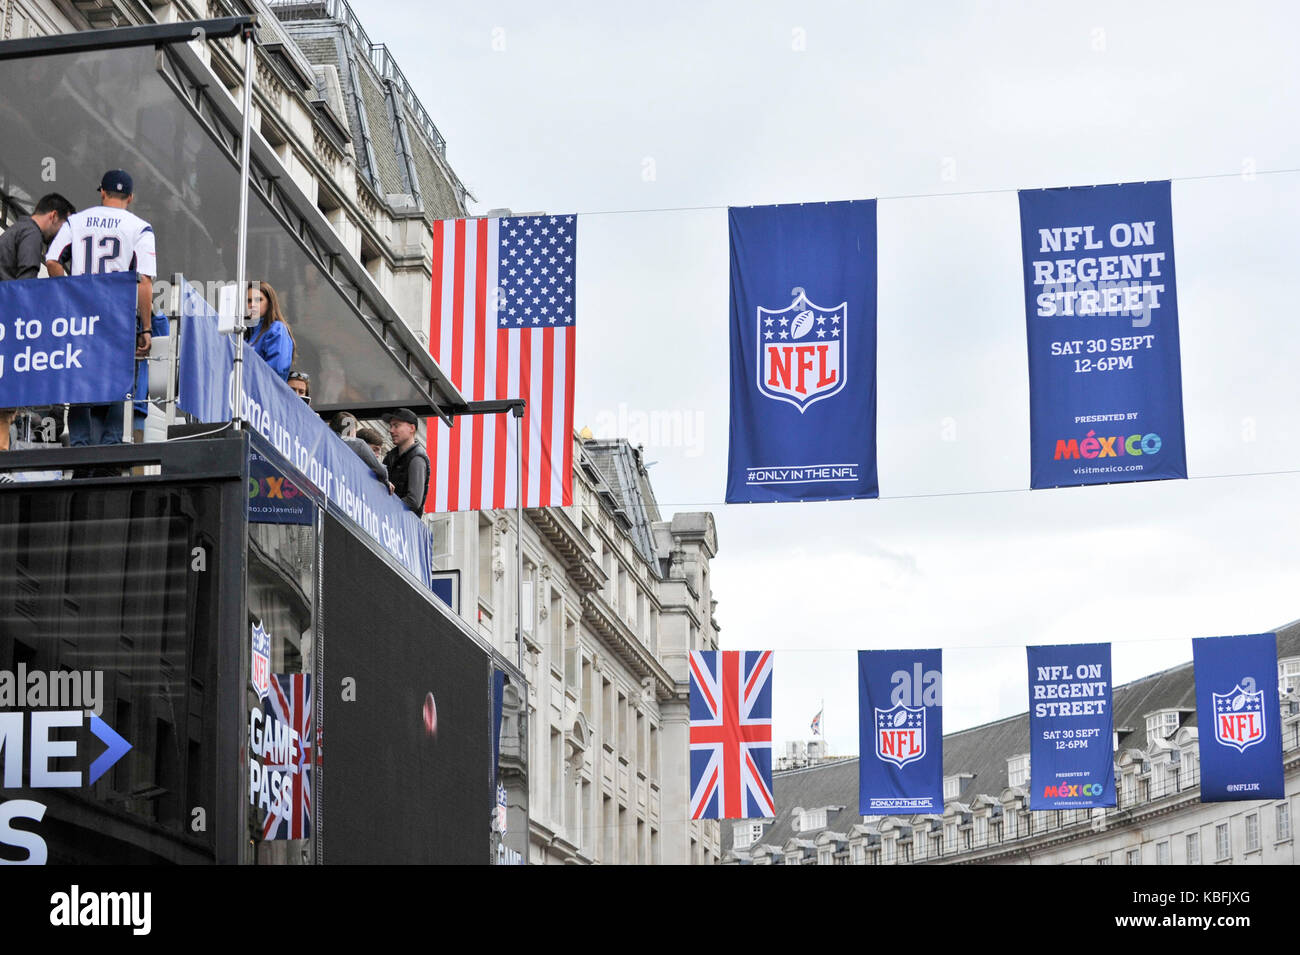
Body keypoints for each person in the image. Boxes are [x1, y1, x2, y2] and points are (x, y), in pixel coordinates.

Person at [44, 170, 156, 450]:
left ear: (102, 192)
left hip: (83, 311)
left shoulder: (76, 221)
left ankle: (81, 445)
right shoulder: (140, 227)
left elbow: (52, 260)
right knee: (117, 379)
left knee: (80, 374)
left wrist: (72, 291)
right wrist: (146, 327)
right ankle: (110, 446)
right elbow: (144, 281)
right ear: (130, 197)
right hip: (118, 311)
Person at [0, 193, 76, 281]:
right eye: (64, 227)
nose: (63, 234)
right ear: (54, 216)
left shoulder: (20, 228)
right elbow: (27, 283)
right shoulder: (32, 233)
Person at [382, 408, 429, 515]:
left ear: (412, 428)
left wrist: (386, 506)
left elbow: (414, 501)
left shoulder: (417, 458)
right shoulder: (390, 457)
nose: (391, 430)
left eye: (396, 426)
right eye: (391, 426)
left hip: (401, 525)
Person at [245, 281, 295, 381]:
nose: (252, 305)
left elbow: (277, 369)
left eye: (258, 300)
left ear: (269, 303)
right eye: (249, 301)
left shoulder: (277, 329)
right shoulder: (243, 333)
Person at [329, 411, 388, 486]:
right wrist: (386, 481)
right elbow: (381, 470)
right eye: (373, 450)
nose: (376, 455)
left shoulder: (323, 435)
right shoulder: (359, 445)